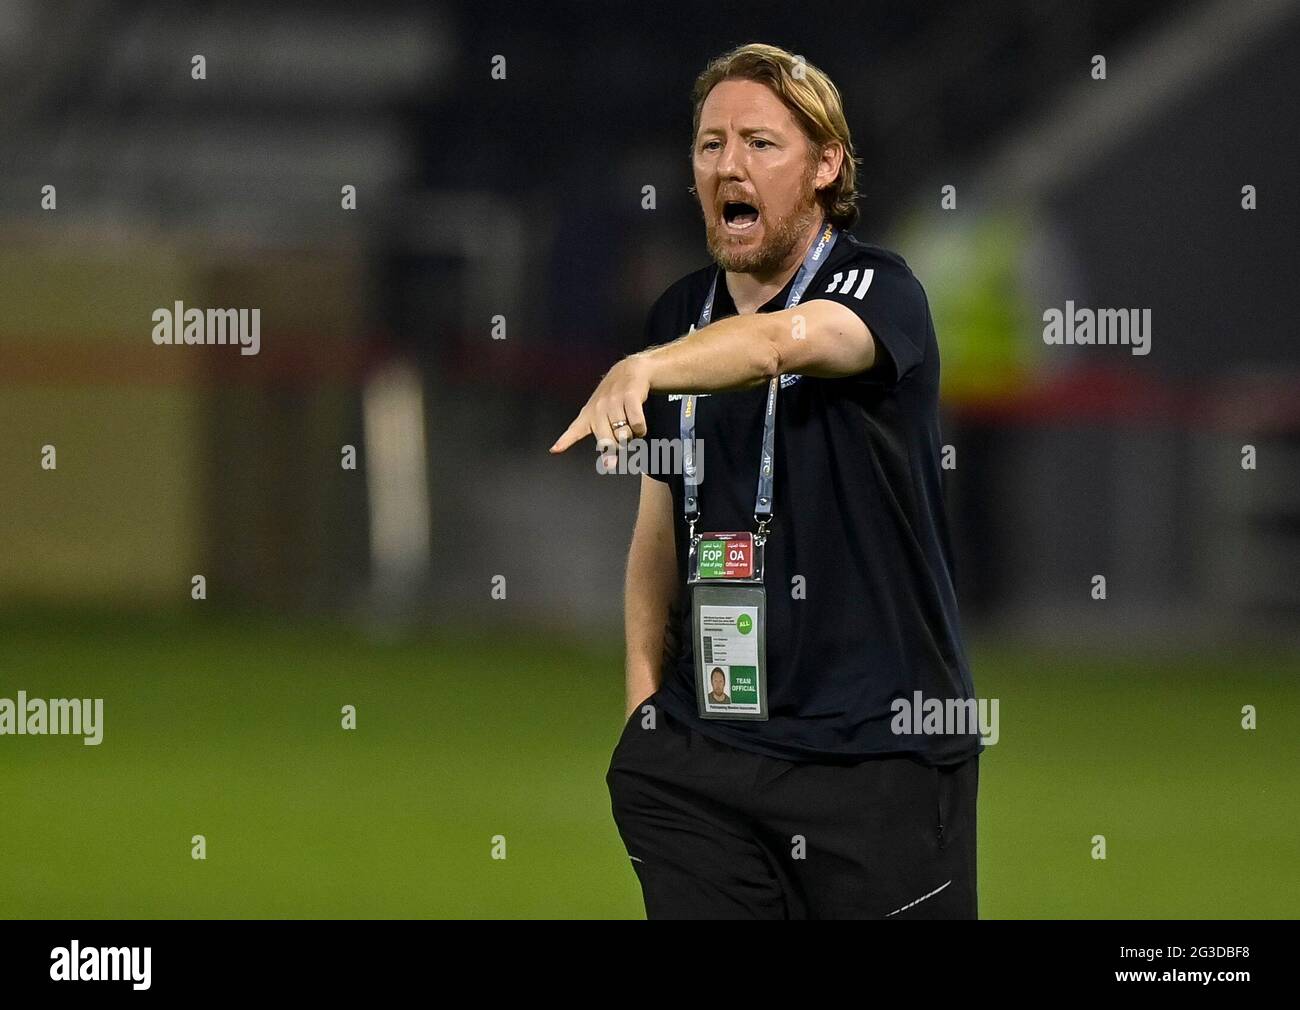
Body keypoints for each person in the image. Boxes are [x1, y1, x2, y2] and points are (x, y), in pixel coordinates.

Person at [551, 42, 981, 919]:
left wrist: (642, 368)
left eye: (760, 143)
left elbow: (784, 343)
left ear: (827, 165)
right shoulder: (679, 317)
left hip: (877, 754)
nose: (728, 166)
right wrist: (644, 708)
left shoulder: (879, 290)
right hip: (707, 752)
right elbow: (660, 532)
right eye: (710, 145)